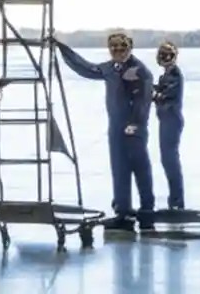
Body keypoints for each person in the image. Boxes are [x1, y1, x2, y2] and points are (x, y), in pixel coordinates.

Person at [58, 31, 156, 232]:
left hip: (133, 129)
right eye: (114, 46)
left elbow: (144, 100)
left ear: (130, 46)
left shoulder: (140, 70)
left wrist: (136, 123)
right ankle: (123, 213)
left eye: (122, 46)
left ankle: (147, 214)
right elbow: (86, 68)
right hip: (115, 127)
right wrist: (62, 49)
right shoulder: (111, 68)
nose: (117, 50)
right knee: (119, 169)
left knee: (140, 168)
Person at [153, 41, 185, 210]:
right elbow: (157, 90)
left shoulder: (174, 75)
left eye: (169, 55)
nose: (166, 58)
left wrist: (150, 93)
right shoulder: (164, 76)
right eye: (162, 55)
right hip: (165, 120)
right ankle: (174, 200)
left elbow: (164, 95)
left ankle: (177, 202)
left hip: (171, 120)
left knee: (170, 160)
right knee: (167, 160)